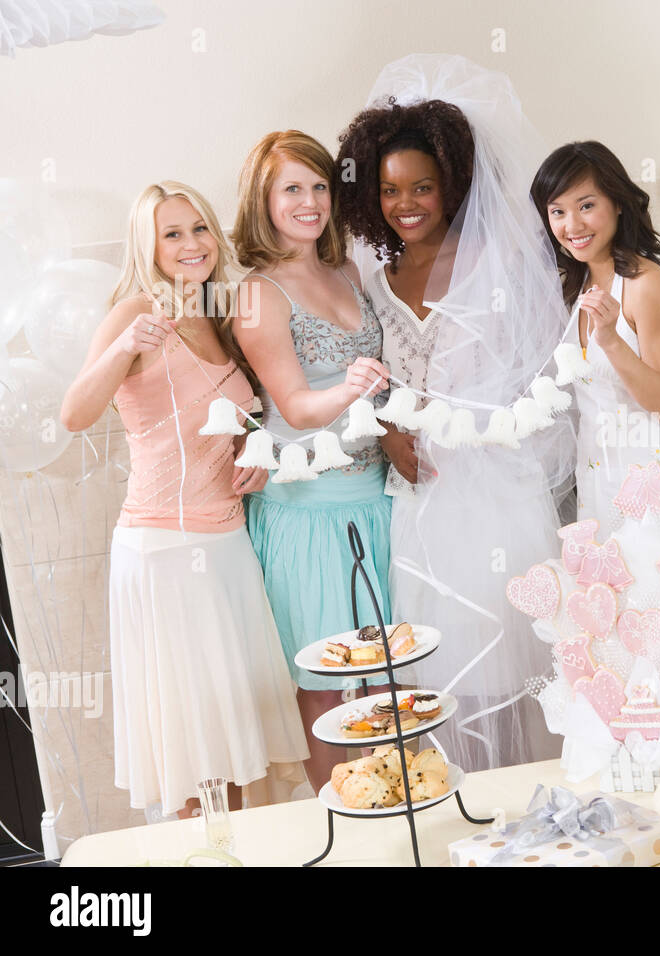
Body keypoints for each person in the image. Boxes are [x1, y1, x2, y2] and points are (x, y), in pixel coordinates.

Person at [334, 55, 574, 772]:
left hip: (495, 491)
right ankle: (465, 821)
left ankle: (537, 816)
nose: (406, 202)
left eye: (422, 187)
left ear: (453, 186)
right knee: (441, 672)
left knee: (512, 662)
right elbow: (378, 381)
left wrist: (457, 426)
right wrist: (390, 431)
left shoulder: (496, 261)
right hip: (422, 500)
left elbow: (541, 376)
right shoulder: (375, 276)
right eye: (389, 189)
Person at [59, 181, 309, 819]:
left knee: (243, 739)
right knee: (198, 750)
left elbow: (226, 416)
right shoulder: (135, 312)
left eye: (199, 228)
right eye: (173, 234)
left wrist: (252, 455)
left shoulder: (219, 312)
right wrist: (123, 346)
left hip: (227, 547)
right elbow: (74, 414)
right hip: (165, 551)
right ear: (149, 245)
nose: (192, 244)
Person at [232, 130, 393, 791]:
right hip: (307, 513)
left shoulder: (348, 271)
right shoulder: (258, 293)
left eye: (320, 186)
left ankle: (387, 812)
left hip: (376, 500)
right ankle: (338, 824)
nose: (309, 201)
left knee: (383, 679)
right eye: (291, 189)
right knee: (324, 684)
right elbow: (295, 406)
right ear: (263, 202)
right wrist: (353, 387)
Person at [531, 141, 660, 537]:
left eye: (586, 206)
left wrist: (611, 340)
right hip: (597, 477)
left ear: (617, 203)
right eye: (557, 212)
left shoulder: (645, 284)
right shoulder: (574, 285)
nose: (572, 226)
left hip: (653, 483)